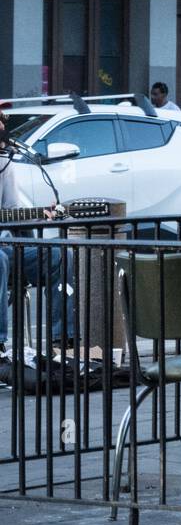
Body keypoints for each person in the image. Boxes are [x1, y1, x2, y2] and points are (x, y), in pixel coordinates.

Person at [0, 122, 75, 355]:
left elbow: (12, 212)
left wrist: (40, 217)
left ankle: (63, 342)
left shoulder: (4, 164)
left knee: (59, 255)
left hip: (6, 248)